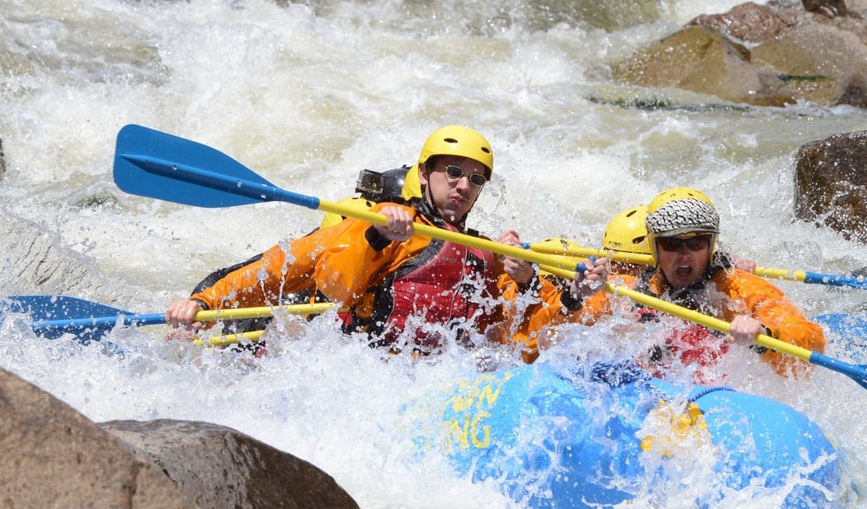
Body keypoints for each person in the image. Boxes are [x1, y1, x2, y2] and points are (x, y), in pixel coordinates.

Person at [167, 125, 593, 356]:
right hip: (367, 367)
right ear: (425, 175)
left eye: (476, 178)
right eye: (453, 172)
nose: (464, 184)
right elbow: (323, 280)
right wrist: (206, 301)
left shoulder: (488, 252)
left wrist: (543, 288)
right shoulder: (379, 224)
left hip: (443, 381)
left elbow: (524, 343)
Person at [524, 188, 825, 379]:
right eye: (671, 245)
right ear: (654, 249)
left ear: (712, 245)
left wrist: (764, 335)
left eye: (696, 243)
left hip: (715, 398)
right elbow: (541, 345)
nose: (684, 256)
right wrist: (573, 298)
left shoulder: (738, 289)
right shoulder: (628, 288)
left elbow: (810, 343)